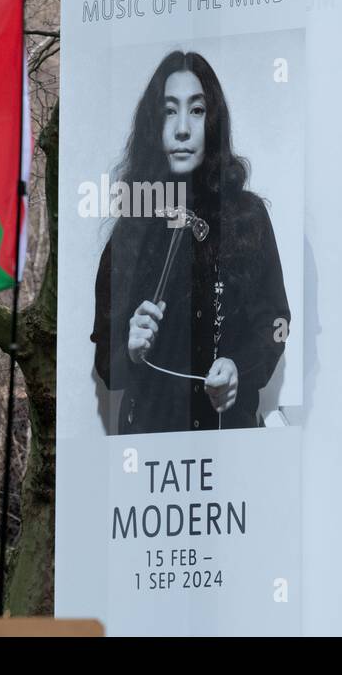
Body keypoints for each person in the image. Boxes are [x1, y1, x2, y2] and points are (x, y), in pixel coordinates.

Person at [91, 49, 290, 434]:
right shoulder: (131, 229)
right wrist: (129, 349)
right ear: (154, 124)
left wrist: (239, 368)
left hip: (229, 441)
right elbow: (106, 364)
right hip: (151, 448)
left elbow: (276, 323)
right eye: (169, 111)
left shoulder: (247, 217)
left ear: (213, 122)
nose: (182, 128)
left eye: (197, 110)